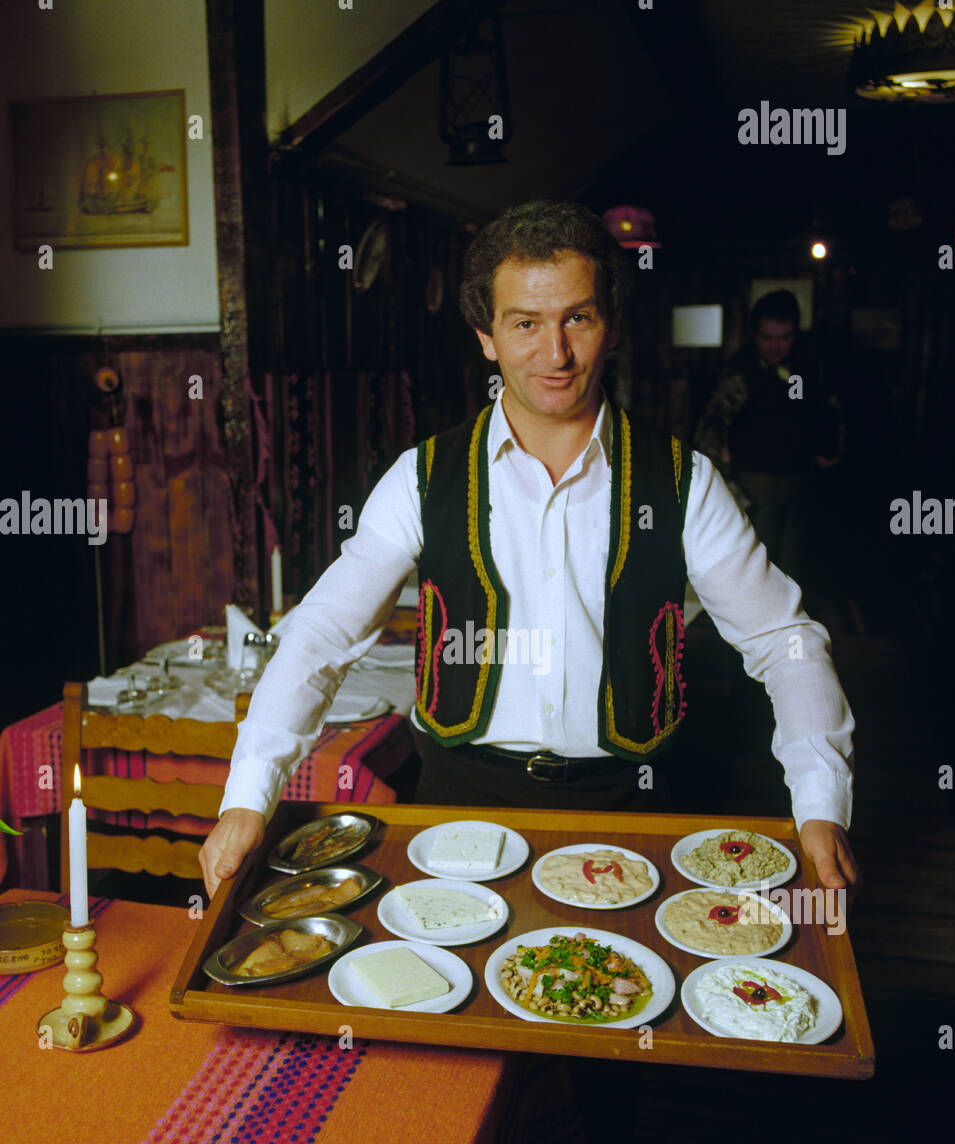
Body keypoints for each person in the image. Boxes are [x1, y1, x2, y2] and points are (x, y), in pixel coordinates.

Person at [200, 202, 860, 900]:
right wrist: (248, 798)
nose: (556, 354)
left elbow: (784, 639)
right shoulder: (422, 478)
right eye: (525, 324)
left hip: (633, 810)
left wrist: (820, 804)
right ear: (486, 336)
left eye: (578, 317)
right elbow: (321, 635)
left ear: (611, 326)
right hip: (458, 808)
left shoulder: (685, 482)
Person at [693, 290, 844, 596]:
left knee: (795, 569)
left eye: (784, 337)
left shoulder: (809, 365)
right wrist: (729, 486)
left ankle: (791, 637)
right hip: (755, 485)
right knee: (757, 571)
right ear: (755, 334)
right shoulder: (740, 372)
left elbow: (829, 411)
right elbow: (710, 428)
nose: (776, 346)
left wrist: (831, 449)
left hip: (801, 480)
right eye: (768, 338)